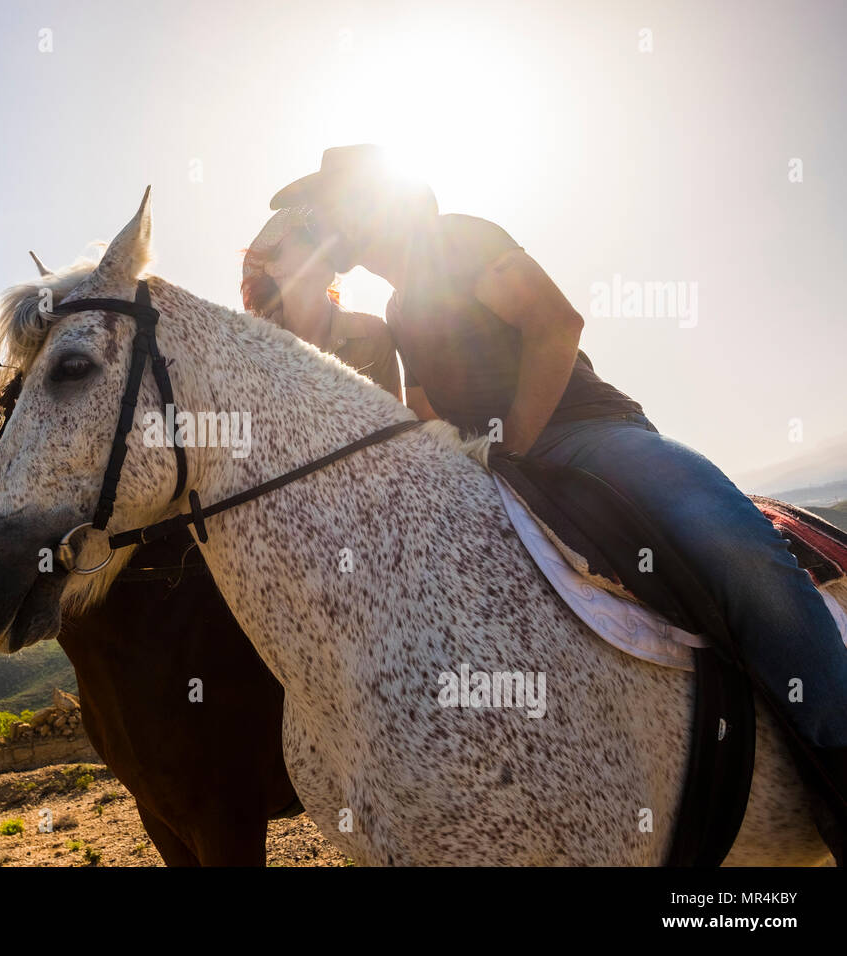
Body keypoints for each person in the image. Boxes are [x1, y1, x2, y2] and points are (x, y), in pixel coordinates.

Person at [270, 144, 847, 858]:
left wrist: (512, 442)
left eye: (335, 204)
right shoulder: (397, 303)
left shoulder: (464, 238)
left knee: (735, 549)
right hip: (488, 464)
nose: (326, 220)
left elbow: (556, 325)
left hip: (585, 435)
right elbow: (423, 403)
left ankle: (840, 754)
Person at [241, 207, 403, 402]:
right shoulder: (253, 353)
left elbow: (398, 425)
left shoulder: (375, 334)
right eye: (306, 238)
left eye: (319, 237)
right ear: (275, 268)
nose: (323, 245)